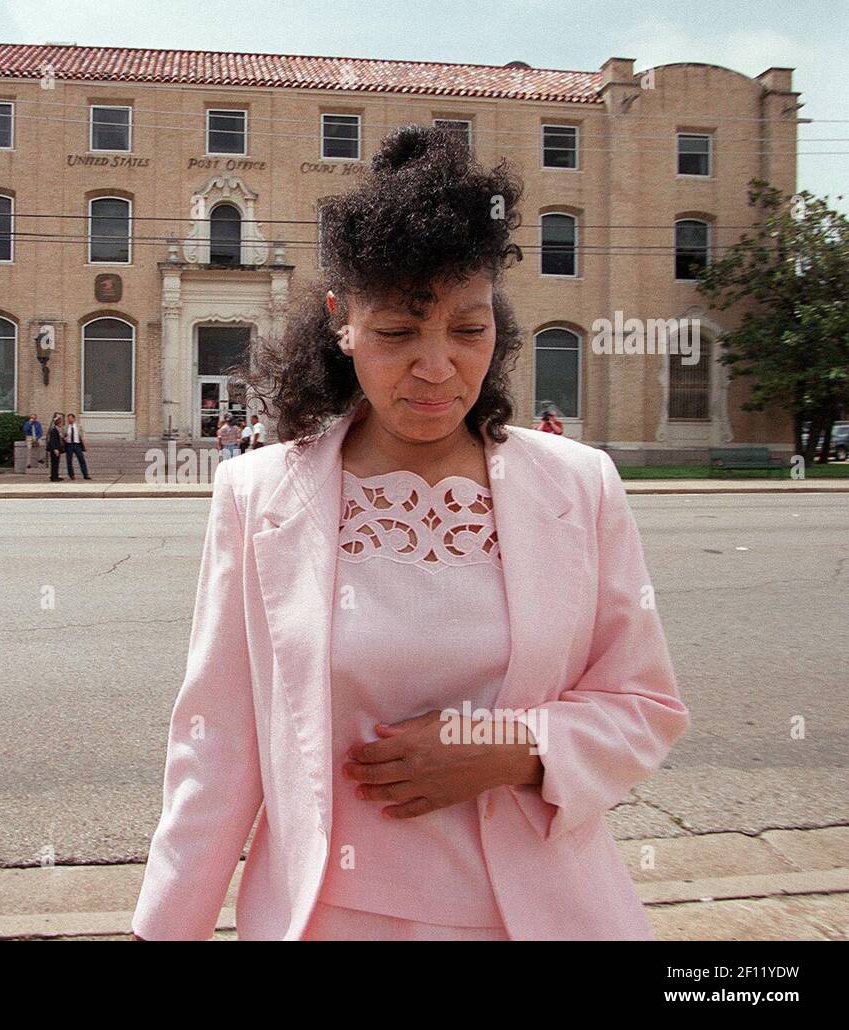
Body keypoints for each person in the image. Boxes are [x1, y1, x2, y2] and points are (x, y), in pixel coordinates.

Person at [131, 125, 690, 941]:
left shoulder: (578, 486)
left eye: (468, 330)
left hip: (546, 917)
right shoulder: (260, 494)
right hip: (331, 917)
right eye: (397, 332)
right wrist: (163, 928)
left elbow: (644, 705)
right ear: (343, 323)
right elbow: (217, 745)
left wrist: (513, 747)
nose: (436, 366)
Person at [63, 413, 91, 480]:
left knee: (81, 459)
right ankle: (71, 475)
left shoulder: (78, 426)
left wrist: (85, 445)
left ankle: (85, 474)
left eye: (70, 418)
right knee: (69, 460)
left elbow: (82, 436)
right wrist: (64, 438)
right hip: (69, 445)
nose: (69, 420)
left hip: (77, 444)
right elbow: (63, 435)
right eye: (68, 419)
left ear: (74, 418)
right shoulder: (66, 427)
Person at [46, 414, 65, 481]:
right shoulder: (54, 430)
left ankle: (56, 475)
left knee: (56, 463)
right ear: (58, 423)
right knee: (54, 463)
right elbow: (52, 441)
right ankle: (54, 477)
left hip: (58, 448)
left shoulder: (58, 430)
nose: (62, 424)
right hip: (55, 449)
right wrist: (55, 449)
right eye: (61, 422)